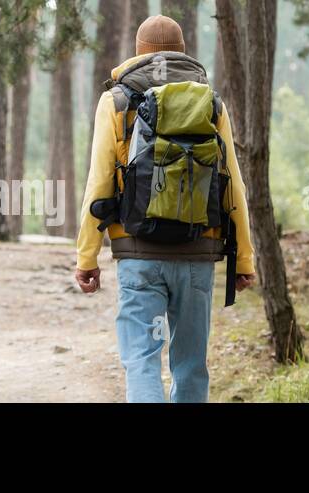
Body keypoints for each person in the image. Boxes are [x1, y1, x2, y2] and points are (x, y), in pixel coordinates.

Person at [73, 15, 255, 403]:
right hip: (197, 254)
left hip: (139, 255)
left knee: (141, 359)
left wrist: (87, 255)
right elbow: (232, 183)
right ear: (183, 51)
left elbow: (100, 181)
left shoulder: (117, 101)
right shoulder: (211, 103)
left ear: (138, 54)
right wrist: (245, 260)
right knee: (190, 364)